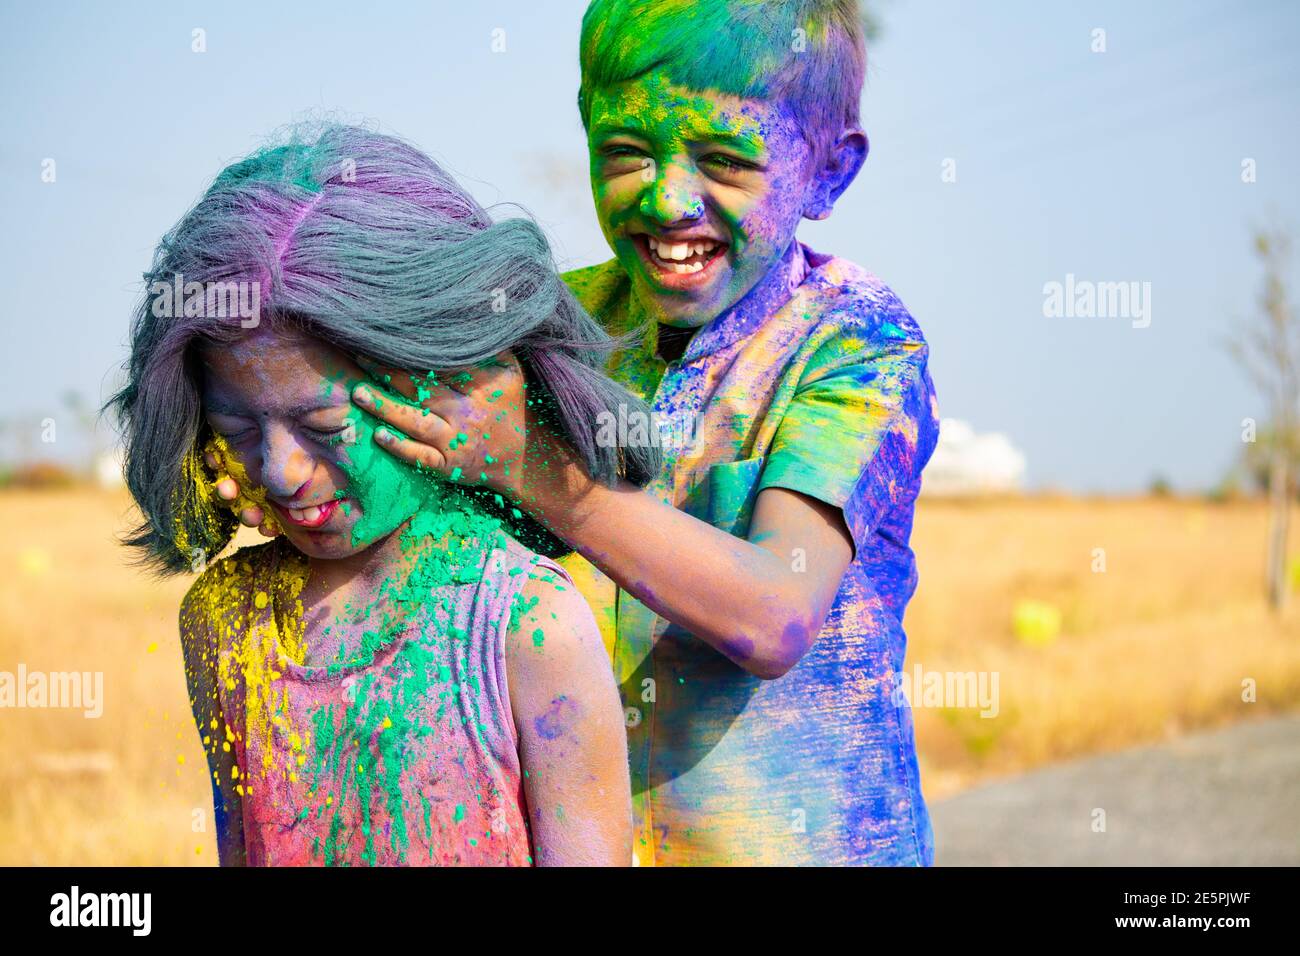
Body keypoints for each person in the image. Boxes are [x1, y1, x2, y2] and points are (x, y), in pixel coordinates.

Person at [109, 123, 651, 866]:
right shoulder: (222, 621)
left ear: (435, 378)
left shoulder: (524, 618)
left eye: (324, 424)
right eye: (237, 426)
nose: (281, 471)